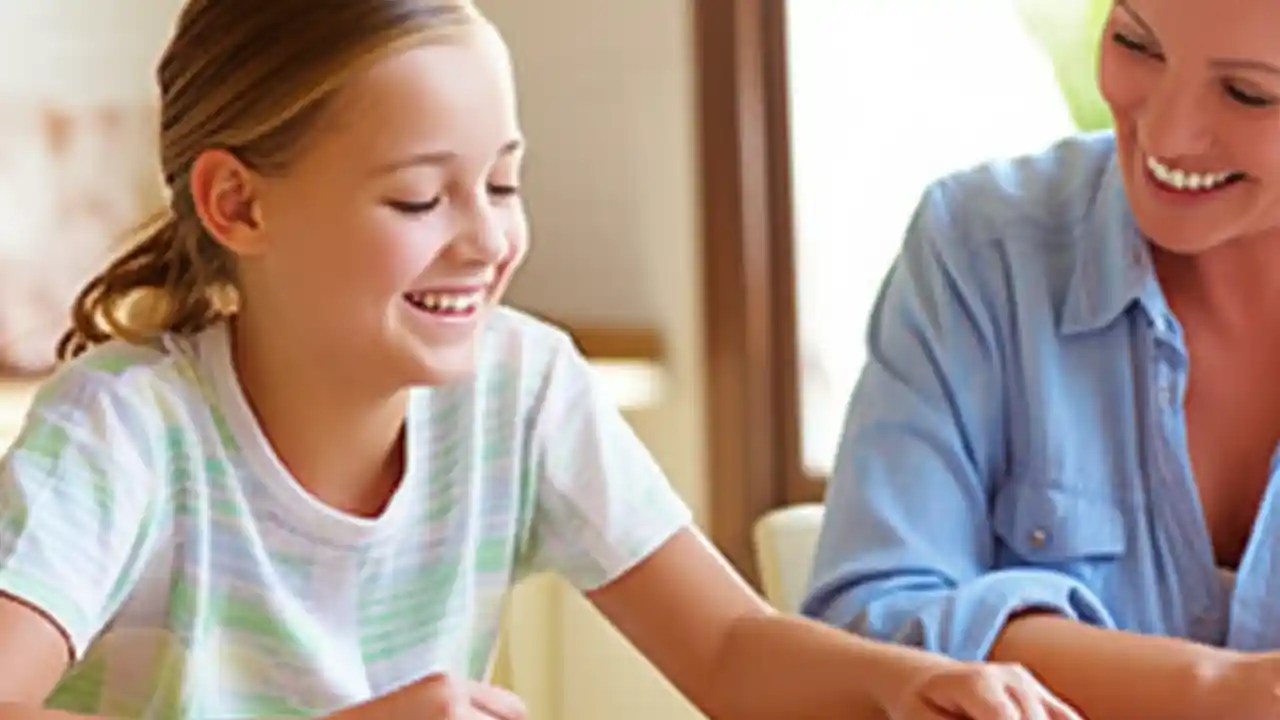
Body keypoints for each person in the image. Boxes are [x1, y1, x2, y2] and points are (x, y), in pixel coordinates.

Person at [0, 2, 1079, 719]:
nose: (487, 240)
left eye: (503, 184)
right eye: (419, 198)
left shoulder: (521, 391)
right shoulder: (124, 430)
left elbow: (729, 649)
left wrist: (920, 685)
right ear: (238, 202)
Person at [803, 0, 1280, 718]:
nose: (1165, 131)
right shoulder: (979, 251)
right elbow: (865, 635)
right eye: (1137, 44)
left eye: (1248, 92)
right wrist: (1213, 693)